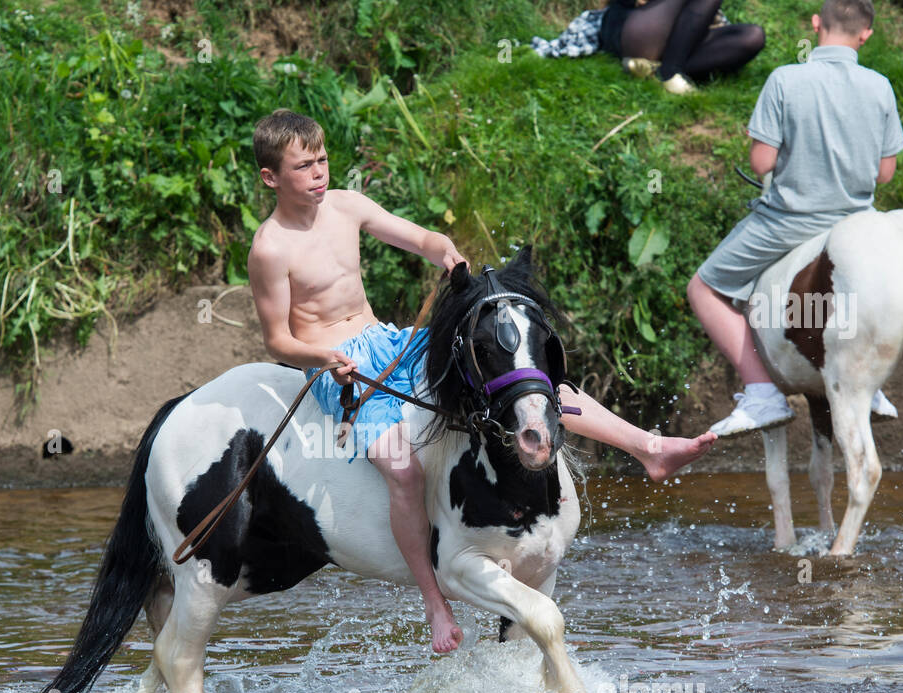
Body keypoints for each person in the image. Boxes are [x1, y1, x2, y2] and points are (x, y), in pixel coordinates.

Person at [248, 110, 715, 653]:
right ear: (270, 178)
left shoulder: (348, 206)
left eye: (323, 159)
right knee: (400, 469)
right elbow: (277, 341)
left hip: (391, 340)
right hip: (336, 365)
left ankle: (649, 448)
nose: (319, 173)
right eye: (303, 166)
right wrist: (323, 357)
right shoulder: (270, 248)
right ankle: (434, 599)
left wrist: (443, 249)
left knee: (518, 376)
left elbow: (418, 237)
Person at [686, 0, 903, 436]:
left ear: (816, 23)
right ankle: (873, 384)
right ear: (865, 35)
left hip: (790, 221)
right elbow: (885, 171)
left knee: (703, 288)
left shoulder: (785, 79)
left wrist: (762, 139)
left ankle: (762, 392)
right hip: (857, 222)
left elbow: (762, 163)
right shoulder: (880, 86)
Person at [599, 0, 765, 93]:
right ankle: (670, 73)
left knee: (752, 37)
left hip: (683, 35)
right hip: (639, 28)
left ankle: (656, 70)